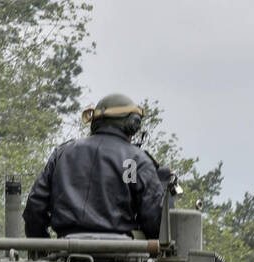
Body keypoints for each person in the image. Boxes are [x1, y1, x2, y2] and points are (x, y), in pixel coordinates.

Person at [23, 93, 166, 239]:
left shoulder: (62, 154)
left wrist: (42, 246)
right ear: (131, 125)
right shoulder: (137, 160)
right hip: (122, 254)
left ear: (94, 122)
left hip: (65, 250)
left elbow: (35, 206)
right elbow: (155, 220)